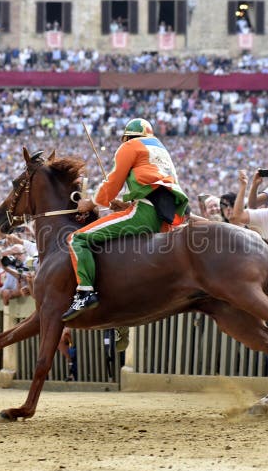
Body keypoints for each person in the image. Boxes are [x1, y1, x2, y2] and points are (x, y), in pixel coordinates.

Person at [63, 118, 189, 321]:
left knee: (77, 239)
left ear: (127, 137)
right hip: (164, 219)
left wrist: (91, 203)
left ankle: (85, 293)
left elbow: (112, 181)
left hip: (144, 214)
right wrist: (125, 204)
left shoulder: (130, 146)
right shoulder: (161, 151)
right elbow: (154, 189)